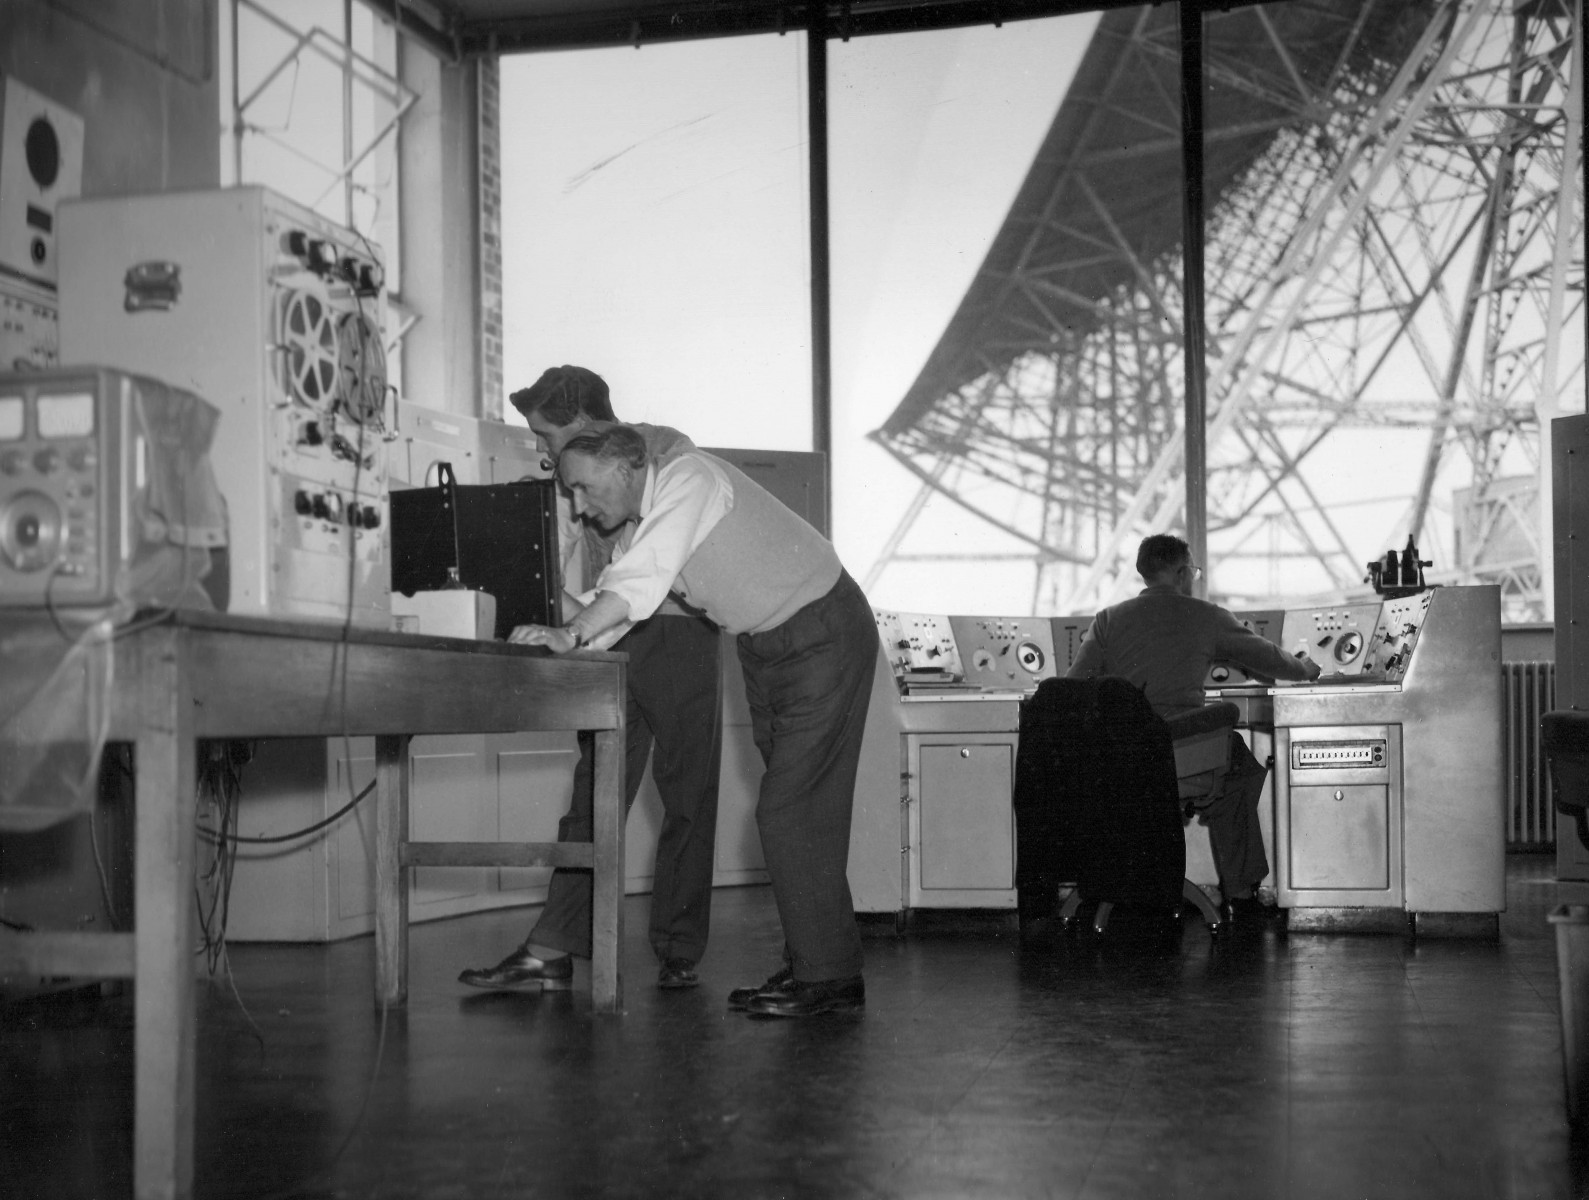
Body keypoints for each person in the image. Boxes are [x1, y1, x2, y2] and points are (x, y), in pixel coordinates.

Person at [512, 423, 876, 1018]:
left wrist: (571, 631)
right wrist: (549, 607)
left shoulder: (692, 479)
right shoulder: (646, 531)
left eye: (582, 487)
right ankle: (818, 964)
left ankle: (829, 977)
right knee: (803, 812)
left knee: (789, 810)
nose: (577, 505)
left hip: (821, 633)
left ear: (625, 469)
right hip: (766, 647)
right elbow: (616, 612)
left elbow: (636, 584)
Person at [458, 367, 723, 992]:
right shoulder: (570, 476)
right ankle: (550, 949)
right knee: (594, 791)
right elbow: (552, 555)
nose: (543, 451)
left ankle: (678, 950)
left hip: (678, 629)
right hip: (608, 631)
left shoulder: (666, 452)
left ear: (582, 422)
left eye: (546, 435)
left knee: (686, 792)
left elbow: (660, 554)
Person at [1066, 533, 1321, 922]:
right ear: (1183, 572)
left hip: (1116, 759)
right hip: (1177, 751)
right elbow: (1269, 659)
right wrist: (1304, 668)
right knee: (1239, 766)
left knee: (1227, 758)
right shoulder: (1206, 615)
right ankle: (1241, 894)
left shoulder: (1107, 619)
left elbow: (1072, 687)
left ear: (1144, 571)